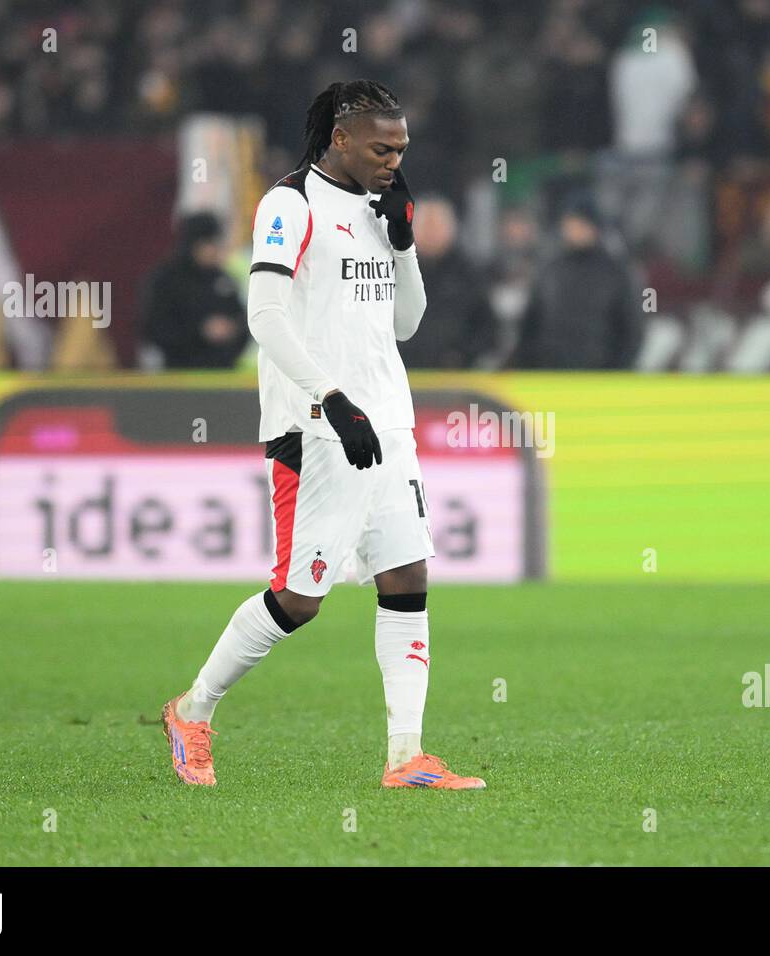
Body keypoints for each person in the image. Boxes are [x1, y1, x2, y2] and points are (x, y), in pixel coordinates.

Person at [162, 80, 485, 791]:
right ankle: (192, 711)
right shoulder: (289, 204)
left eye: (401, 148)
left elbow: (406, 324)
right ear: (340, 139)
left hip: (387, 423)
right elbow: (265, 316)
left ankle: (406, 757)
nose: (394, 160)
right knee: (299, 599)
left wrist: (402, 244)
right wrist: (331, 398)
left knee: (407, 578)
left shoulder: (380, 208)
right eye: (382, 147)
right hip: (316, 426)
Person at [513, 194, 641, 369]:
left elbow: (631, 329)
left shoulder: (615, 273)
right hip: (549, 375)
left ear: (594, 227)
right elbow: (530, 323)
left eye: (580, 224)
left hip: (597, 376)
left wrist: (617, 370)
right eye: (570, 224)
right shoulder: (550, 269)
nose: (574, 230)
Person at [393, 196, 495, 369]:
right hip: (400, 372)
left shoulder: (470, 275)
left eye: (437, 226)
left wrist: (462, 356)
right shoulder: (391, 270)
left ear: (451, 229)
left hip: (454, 379)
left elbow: (487, 328)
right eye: (426, 226)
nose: (431, 233)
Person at [139, 212, 248, 369]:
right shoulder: (165, 280)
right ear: (193, 244)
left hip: (223, 375)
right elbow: (154, 327)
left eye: (217, 243)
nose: (215, 249)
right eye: (209, 243)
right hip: (178, 375)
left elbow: (242, 321)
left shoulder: (223, 279)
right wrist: (200, 331)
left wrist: (231, 330)